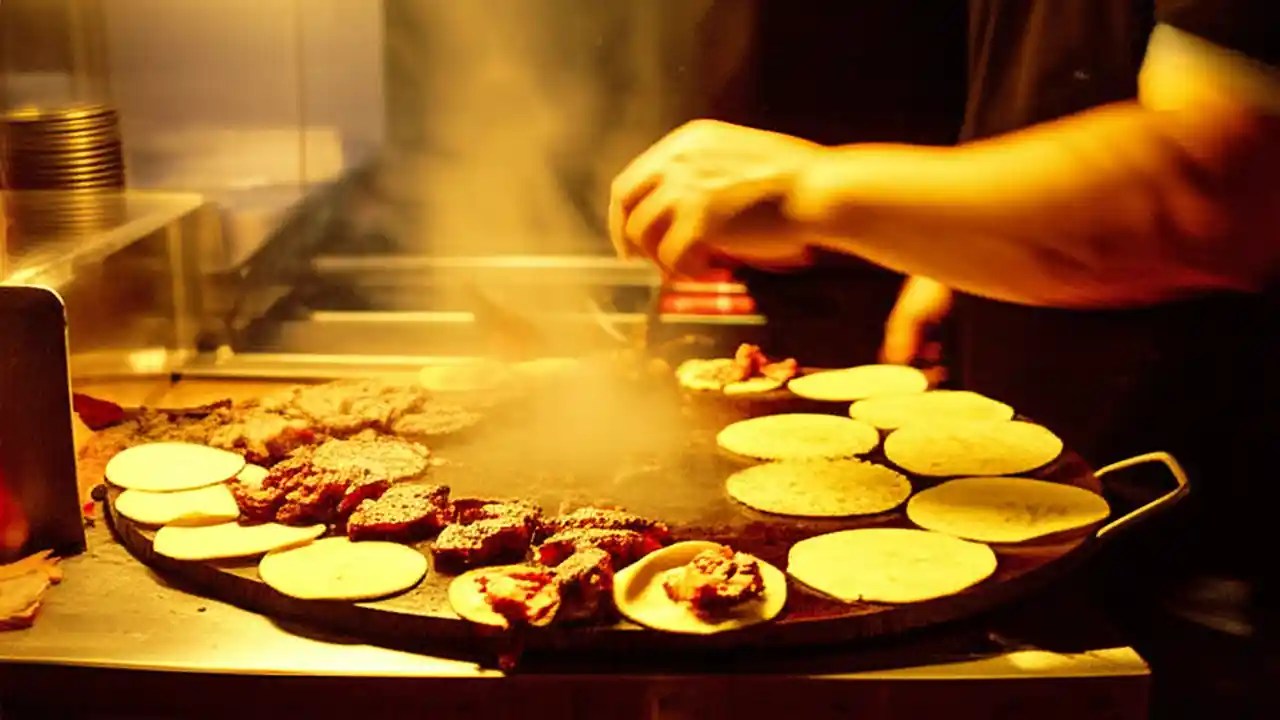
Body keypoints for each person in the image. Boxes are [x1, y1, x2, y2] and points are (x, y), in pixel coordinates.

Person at [610, 1, 1278, 716]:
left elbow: (1226, 187)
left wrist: (812, 189)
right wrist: (948, 257)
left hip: (1207, 564)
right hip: (1043, 544)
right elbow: (1065, 99)